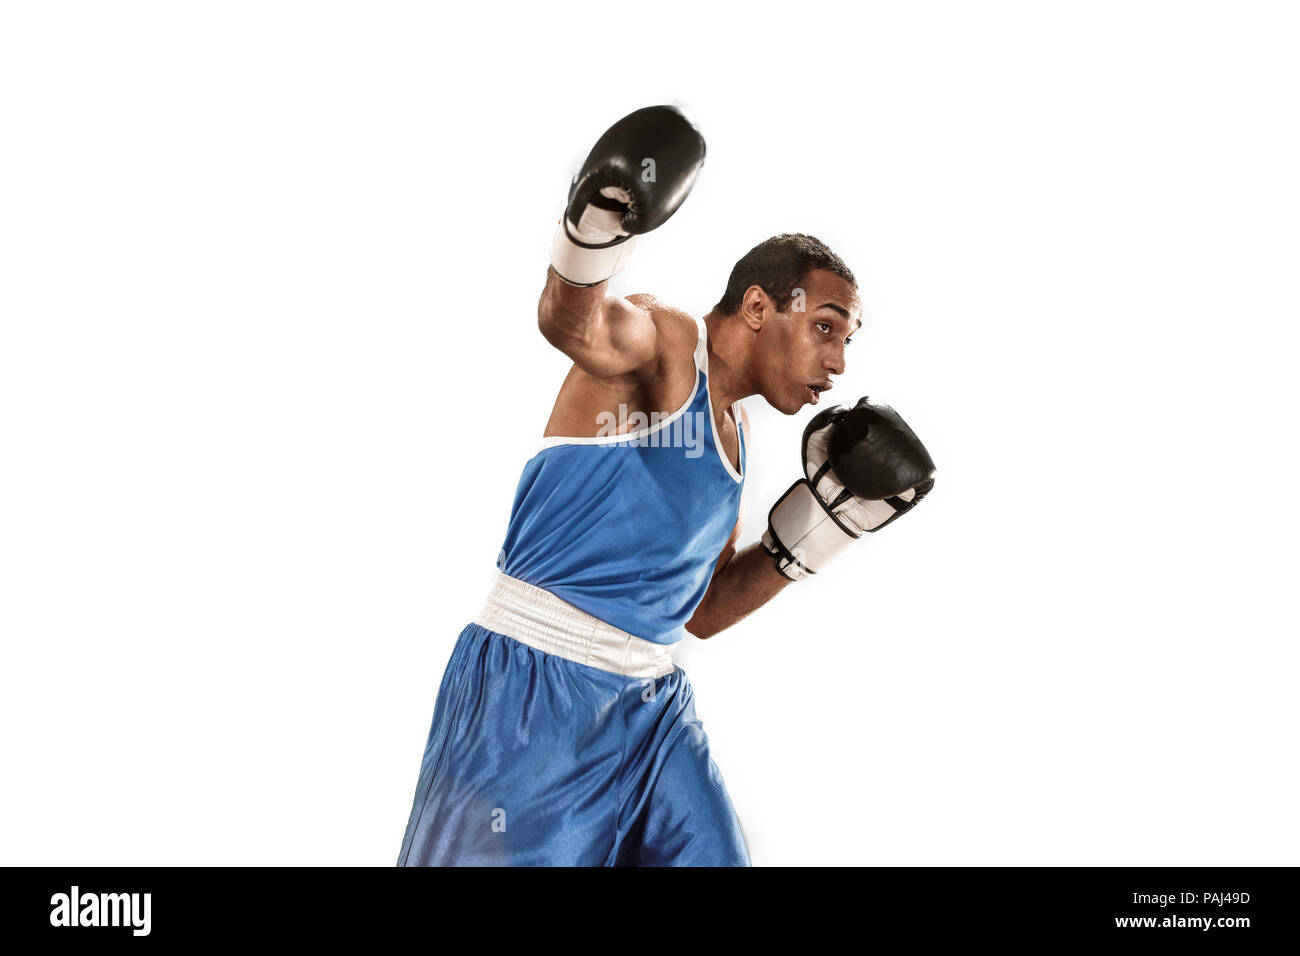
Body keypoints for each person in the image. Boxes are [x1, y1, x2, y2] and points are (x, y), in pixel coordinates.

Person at [397, 105, 935, 866]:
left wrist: (825, 526)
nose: (839, 361)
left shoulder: (737, 441)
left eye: (847, 340)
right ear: (757, 306)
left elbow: (703, 611)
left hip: (650, 709)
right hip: (534, 695)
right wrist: (594, 232)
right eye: (824, 326)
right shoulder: (669, 343)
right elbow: (573, 325)